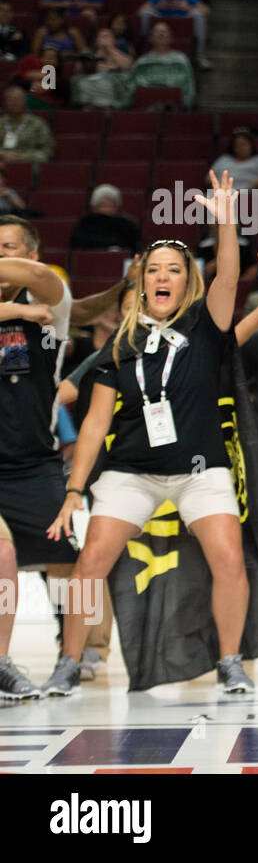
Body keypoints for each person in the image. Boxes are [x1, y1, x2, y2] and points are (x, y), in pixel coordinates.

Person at [43, 171, 254, 695]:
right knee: (89, 560)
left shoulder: (207, 325)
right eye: (153, 270)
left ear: (187, 280)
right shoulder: (119, 343)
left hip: (199, 472)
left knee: (228, 555)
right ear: (141, 283)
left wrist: (225, 217)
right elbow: (94, 422)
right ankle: (69, 661)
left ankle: (230, 660)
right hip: (132, 472)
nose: (162, 277)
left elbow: (228, 276)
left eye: (173, 270)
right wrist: (74, 491)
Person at [0, 218, 79, 699]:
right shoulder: (24, 310)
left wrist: (22, 310)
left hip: (34, 460)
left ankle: (72, 656)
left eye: (8, 248)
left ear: (31, 254)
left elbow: (45, 281)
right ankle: (3, 662)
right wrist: (12, 311)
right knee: (3, 555)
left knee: (67, 563)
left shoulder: (53, 300)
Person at [139, 0, 210, 69]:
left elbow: (206, 11)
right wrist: (157, 6)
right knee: (145, 12)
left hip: (182, 27)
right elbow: (141, 10)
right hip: (161, 25)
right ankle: (144, 47)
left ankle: (200, 56)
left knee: (198, 15)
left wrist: (187, 8)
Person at [130, 20, 195, 109]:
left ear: (171, 37)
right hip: (146, 106)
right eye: (157, 31)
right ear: (151, 38)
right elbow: (132, 87)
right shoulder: (142, 62)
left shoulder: (181, 60)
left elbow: (189, 86)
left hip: (174, 107)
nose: (161, 34)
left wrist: (186, 105)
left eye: (165, 31)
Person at [70, 184, 140, 253]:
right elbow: (79, 246)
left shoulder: (127, 225)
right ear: (94, 207)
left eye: (112, 206)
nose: (108, 210)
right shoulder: (86, 224)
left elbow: (135, 247)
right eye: (104, 206)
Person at [0, 84, 53, 166]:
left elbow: (47, 151)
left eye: (18, 99)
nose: (15, 103)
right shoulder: (1, 123)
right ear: (4, 103)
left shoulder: (37, 124)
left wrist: (22, 157)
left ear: (25, 101)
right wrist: (3, 155)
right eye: (11, 99)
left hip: (30, 167)